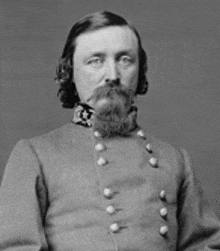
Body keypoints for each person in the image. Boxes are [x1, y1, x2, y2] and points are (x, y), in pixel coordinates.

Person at [0, 11, 219, 251]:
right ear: (70, 71)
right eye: (96, 60)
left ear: (140, 70)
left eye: (124, 59)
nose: (112, 75)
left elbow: (205, 245)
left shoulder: (175, 160)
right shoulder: (34, 155)